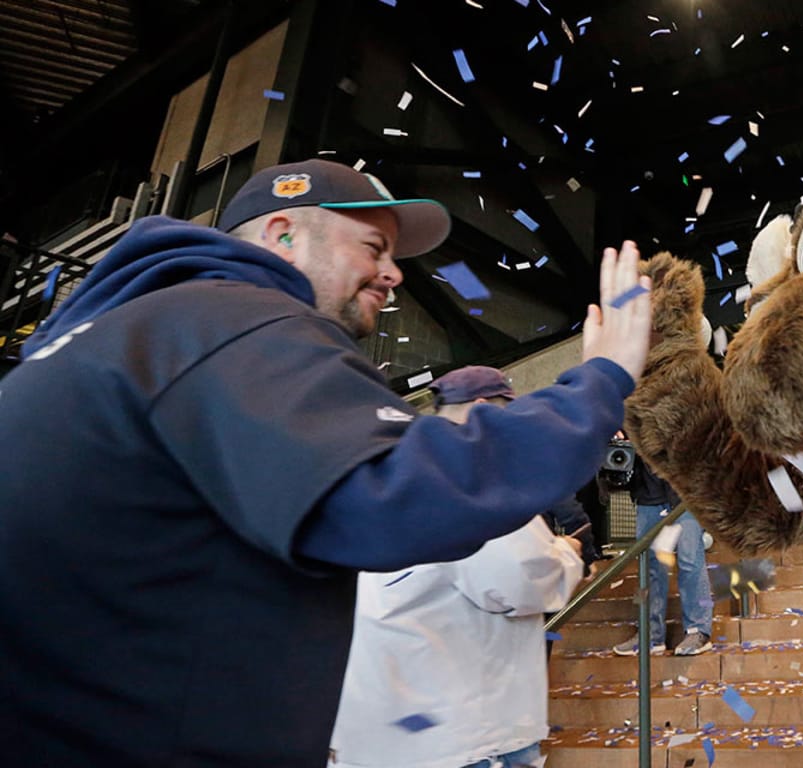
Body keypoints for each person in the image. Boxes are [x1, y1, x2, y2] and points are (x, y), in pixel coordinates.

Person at [0, 158, 652, 767]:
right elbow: (400, 491)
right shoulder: (230, 317)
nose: (394, 275)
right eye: (373, 248)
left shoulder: (131, 336)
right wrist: (600, 381)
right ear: (282, 233)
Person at [329, 365, 585, 768]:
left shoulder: (389, 469)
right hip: (465, 738)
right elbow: (523, 579)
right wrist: (568, 553)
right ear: (484, 409)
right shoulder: (472, 474)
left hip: (380, 735)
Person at [612, 453, 715, 657]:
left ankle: (698, 630)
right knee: (649, 566)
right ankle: (650, 634)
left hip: (684, 489)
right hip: (648, 494)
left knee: (690, 560)